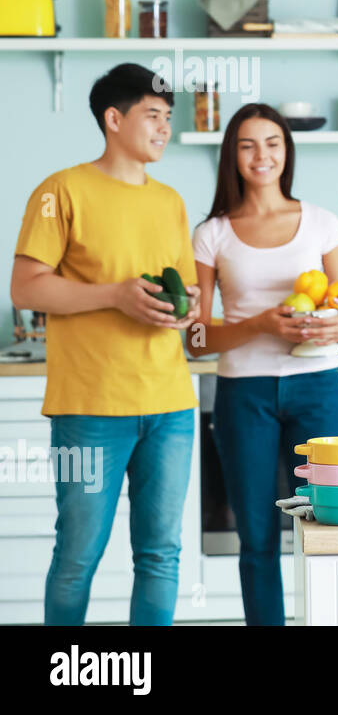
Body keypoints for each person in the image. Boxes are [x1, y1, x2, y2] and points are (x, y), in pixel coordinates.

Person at [11, 63, 200, 625]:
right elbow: (26, 285)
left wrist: (178, 307)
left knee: (161, 554)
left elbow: (185, 291)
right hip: (89, 407)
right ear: (113, 119)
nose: (164, 128)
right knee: (77, 555)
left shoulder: (170, 201)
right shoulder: (62, 189)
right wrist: (115, 296)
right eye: (152, 116)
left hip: (169, 404)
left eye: (168, 117)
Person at [186, 103, 338, 625]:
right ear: (232, 156)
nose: (261, 155)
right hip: (245, 393)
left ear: (286, 151)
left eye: (272, 143)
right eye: (247, 145)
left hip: (317, 384)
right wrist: (261, 324)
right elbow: (196, 338)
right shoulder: (212, 233)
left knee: (329, 524)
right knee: (258, 536)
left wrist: (337, 327)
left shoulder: (322, 223)